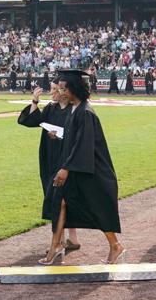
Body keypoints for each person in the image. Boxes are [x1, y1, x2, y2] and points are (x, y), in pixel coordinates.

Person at [41, 69, 124, 266]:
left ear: (73, 90)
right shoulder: (74, 109)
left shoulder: (85, 113)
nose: (60, 92)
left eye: (63, 89)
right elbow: (73, 142)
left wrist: (65, 169)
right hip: (78, 168)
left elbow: (82, 146)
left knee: (98, 210)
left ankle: (115, 245)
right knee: (59, 202)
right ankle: (54, 248)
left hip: (93, 173)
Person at [18, 82, 82, 252]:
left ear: (63, 92)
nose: (51, 92)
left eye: (55, 89)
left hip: (65, 158)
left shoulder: (74, 110)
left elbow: (78, 135)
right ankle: (71, 239)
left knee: (60, 197)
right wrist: (34, 101)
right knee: (60, 198)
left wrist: (60, 136)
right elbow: (31, 121)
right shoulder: (50, 109)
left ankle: (60, 242)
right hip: (49, 156)